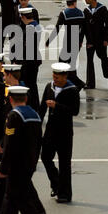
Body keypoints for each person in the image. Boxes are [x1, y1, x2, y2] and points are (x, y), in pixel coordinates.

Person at [0, 86, 52, 214]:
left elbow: (10, 145)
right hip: (28, 165)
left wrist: (3, 168)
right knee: (11, 202)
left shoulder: (14, 116)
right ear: (26, 98)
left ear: (11, 99)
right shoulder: (35, 115)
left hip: (16, 167)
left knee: (23, 204)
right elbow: (39, 141)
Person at [0, 65, 46, 214]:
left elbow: (21, 121)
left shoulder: (21, 94)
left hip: (19, 142)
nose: (3, 77)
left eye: (5, 75)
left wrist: (6, 143)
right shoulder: (15, 90)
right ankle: (37, 209)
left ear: (10, 75)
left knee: (7, 175)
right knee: (20, 180)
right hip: (13, 139)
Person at [40, 63, 80, 203]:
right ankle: (56, 183)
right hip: (50, 130)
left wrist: (57, 106)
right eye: (53, 76)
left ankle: (64, 194)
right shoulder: (49, 87)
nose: (54, 79)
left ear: (65, 76)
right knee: (45, 157)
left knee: (64, 164)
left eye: (57, 77)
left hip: (65, 132)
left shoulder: (72, 90)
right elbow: (42, 108)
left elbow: (75, 111)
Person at [46, 0, 85, 89]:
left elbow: (57, 28)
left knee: (62, 64)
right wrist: (80, 41)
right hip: (77, 42)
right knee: (72, 64)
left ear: (67, 3)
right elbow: (84, 29)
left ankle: (78, 83)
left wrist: (49, 40)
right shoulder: (81, 13)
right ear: (75, 3)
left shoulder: (64, 13)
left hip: (67, 41)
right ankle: (73, 86)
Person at [84, 0, 108, 89]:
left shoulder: (102, 9)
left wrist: (106, 39)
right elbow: (84, 27)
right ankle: (90, 83)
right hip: (90, 41)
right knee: (89, 61)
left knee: (103, 58)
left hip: (101, 40)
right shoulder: (86, 11)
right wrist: (84, 41)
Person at [16, 8, 42, 111]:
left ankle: (32, 106)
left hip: (29, 60)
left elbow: (27, 47)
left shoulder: (30, 28)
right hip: (34, 59)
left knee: (28, 84)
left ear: (23, 17)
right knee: (32, 84)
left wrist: (21, 62)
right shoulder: (36, 25)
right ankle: (35, 106)